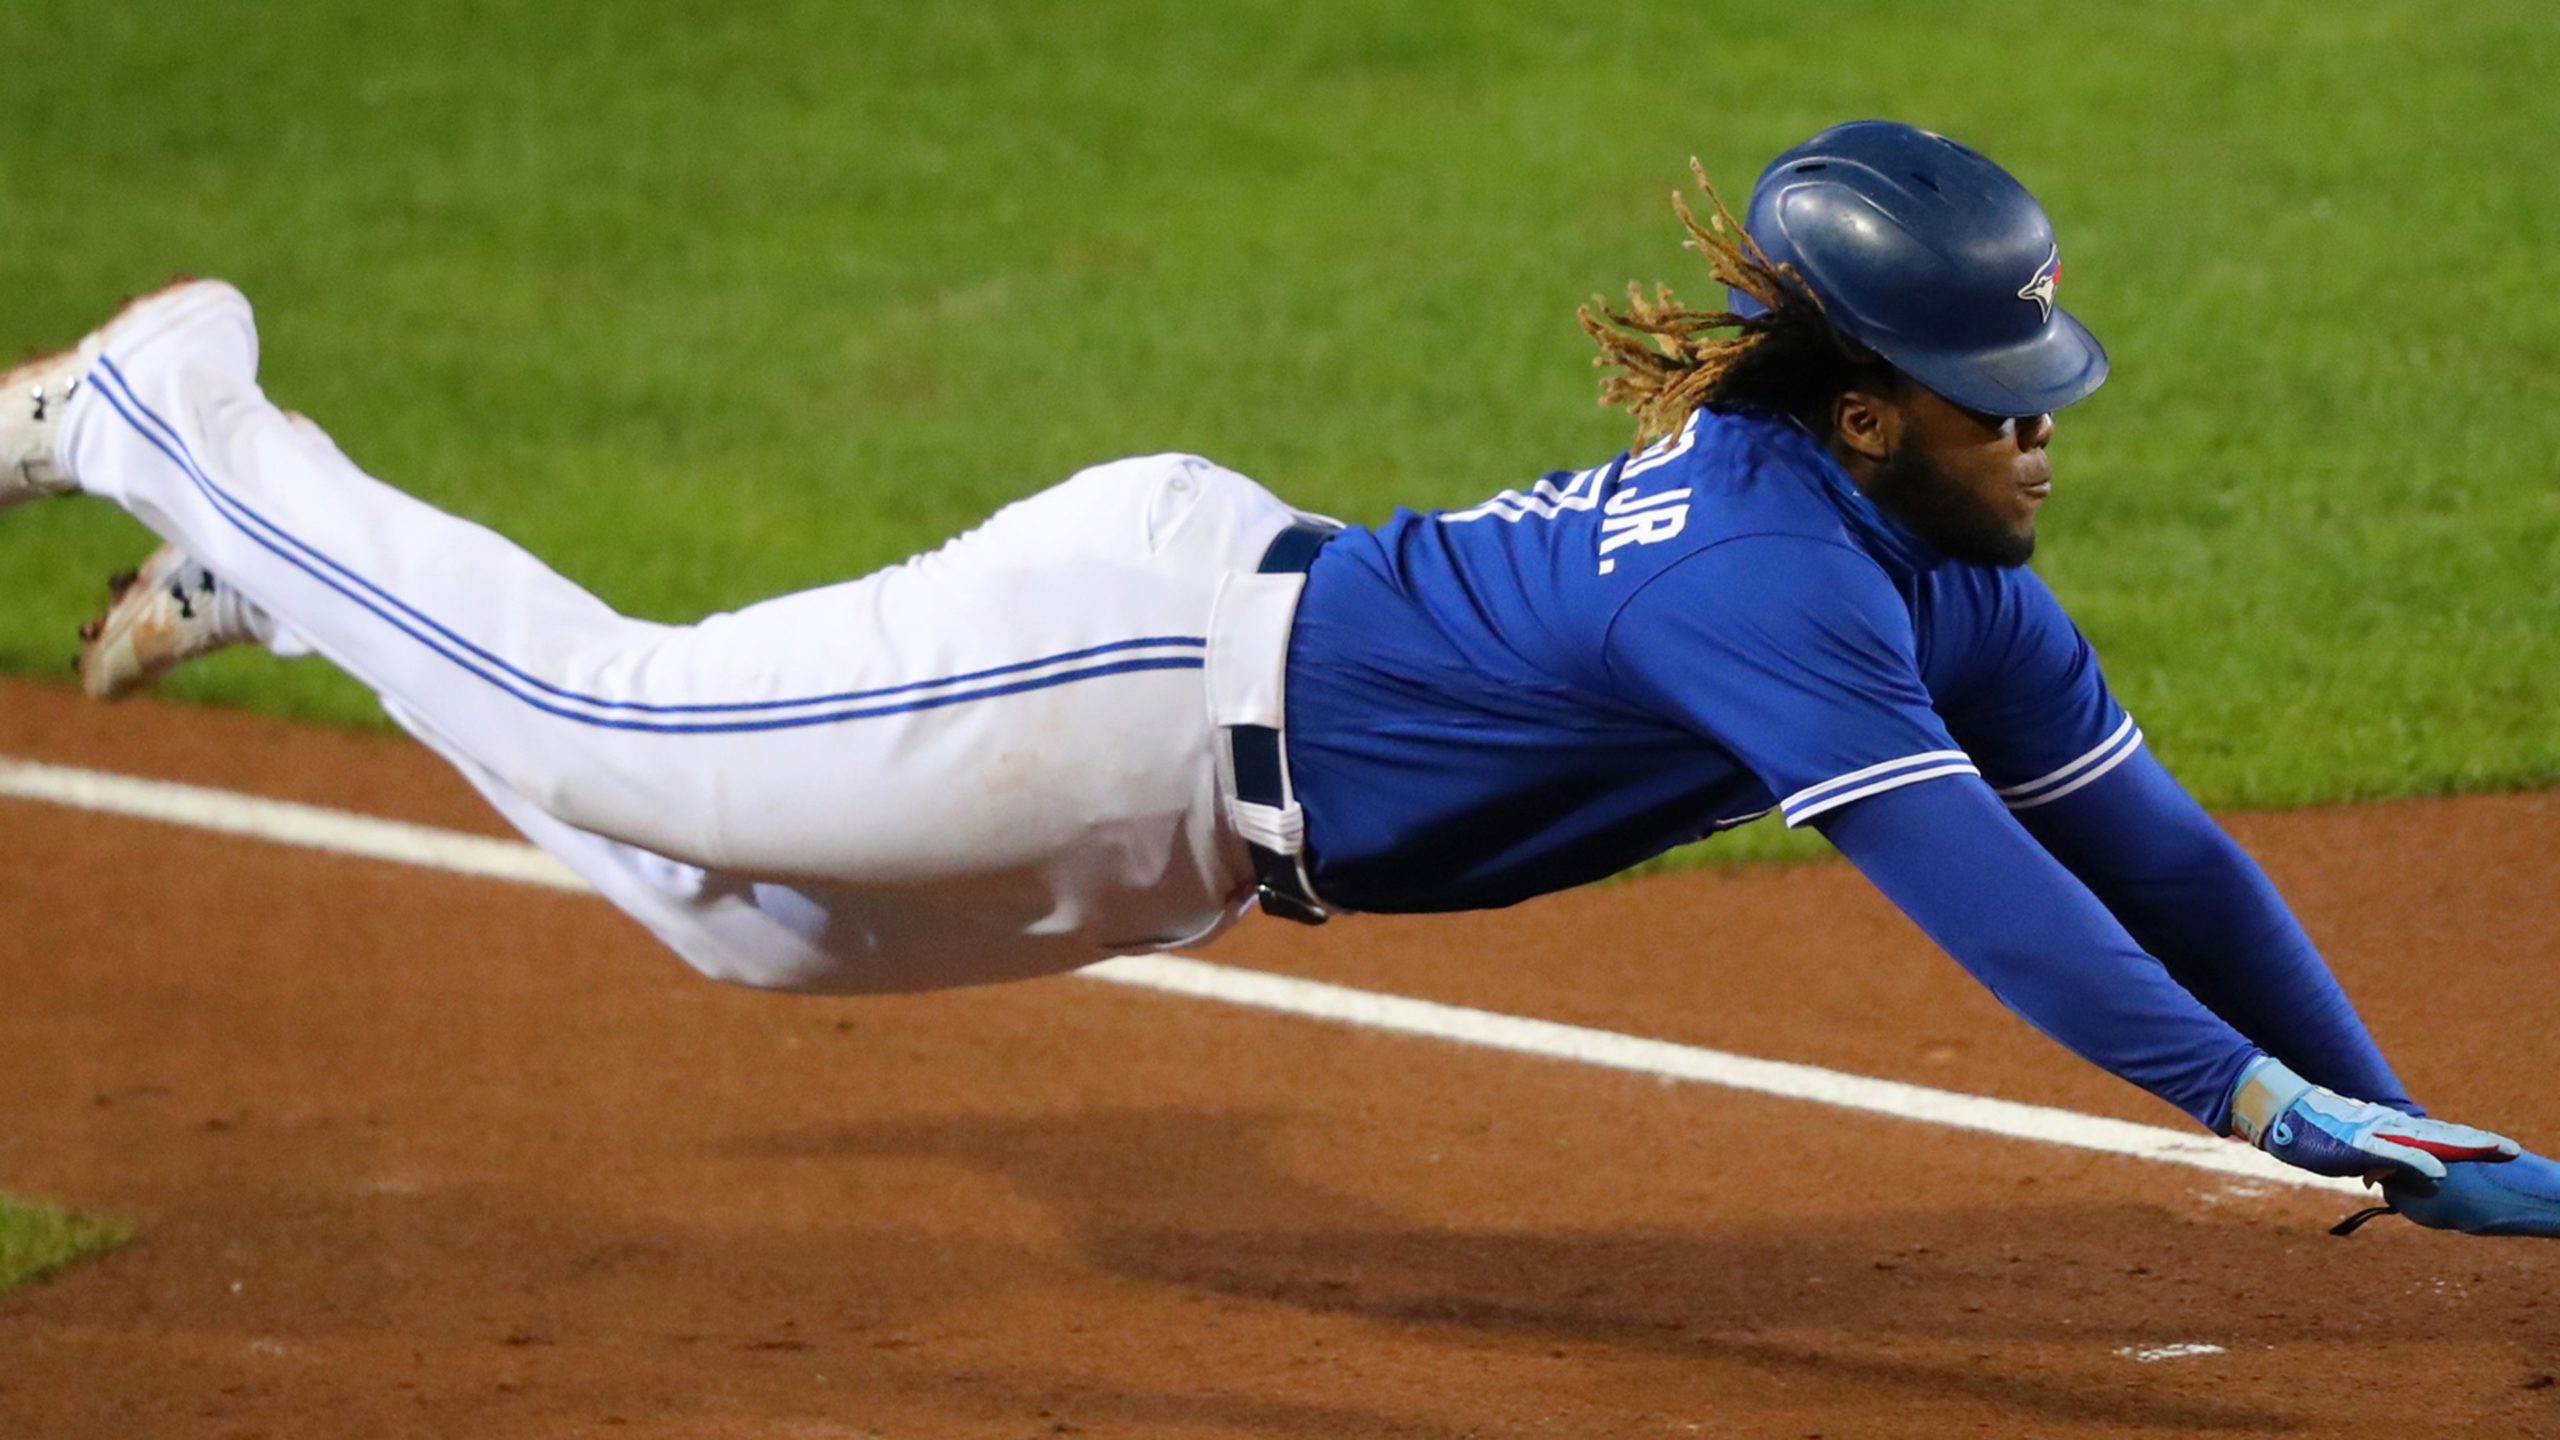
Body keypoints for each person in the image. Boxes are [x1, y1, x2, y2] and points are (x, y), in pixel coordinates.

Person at [6, 120, 2553, 1235]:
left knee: (735, 923)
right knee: (616, 724)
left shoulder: (1954, 574)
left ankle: (297, 568)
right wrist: (2241, 1102)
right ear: (1875, 407)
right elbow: (1982, 896)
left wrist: (2398, 1116)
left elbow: (2158, 853)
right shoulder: (1775, 580)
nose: (2044, 433)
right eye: (2007, 398)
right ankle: (173, 411)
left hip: (1205, 824)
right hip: (1110, 666)